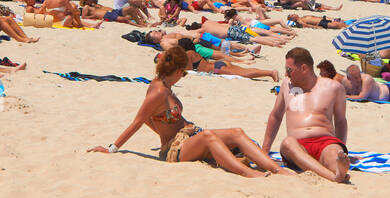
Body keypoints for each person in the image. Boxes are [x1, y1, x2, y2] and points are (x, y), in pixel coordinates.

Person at [88, 45, 285, 176]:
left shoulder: (165, 86)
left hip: (188, 136)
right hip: (174, 149)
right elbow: (138, 121)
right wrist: (111, 149)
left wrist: (167, 125)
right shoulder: (158, 92)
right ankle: (253, 175)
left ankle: (275, 169)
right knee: (208, 136)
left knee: (237, 132)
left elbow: (149, 120)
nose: (183, 76)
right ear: (176, 71)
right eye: (183, 73)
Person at [261, 46, 350, 183]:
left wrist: (341, 151)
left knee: (333, 153)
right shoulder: (286, 85)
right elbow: (276, 116)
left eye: (289, 70)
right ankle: (335, 176)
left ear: (304, 68)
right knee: (287, 143)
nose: (286, 74)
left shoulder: (333, 87)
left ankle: (337, 170)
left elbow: (340, 121)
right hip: (297, 143)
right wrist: (265, 151)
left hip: (325, 141)